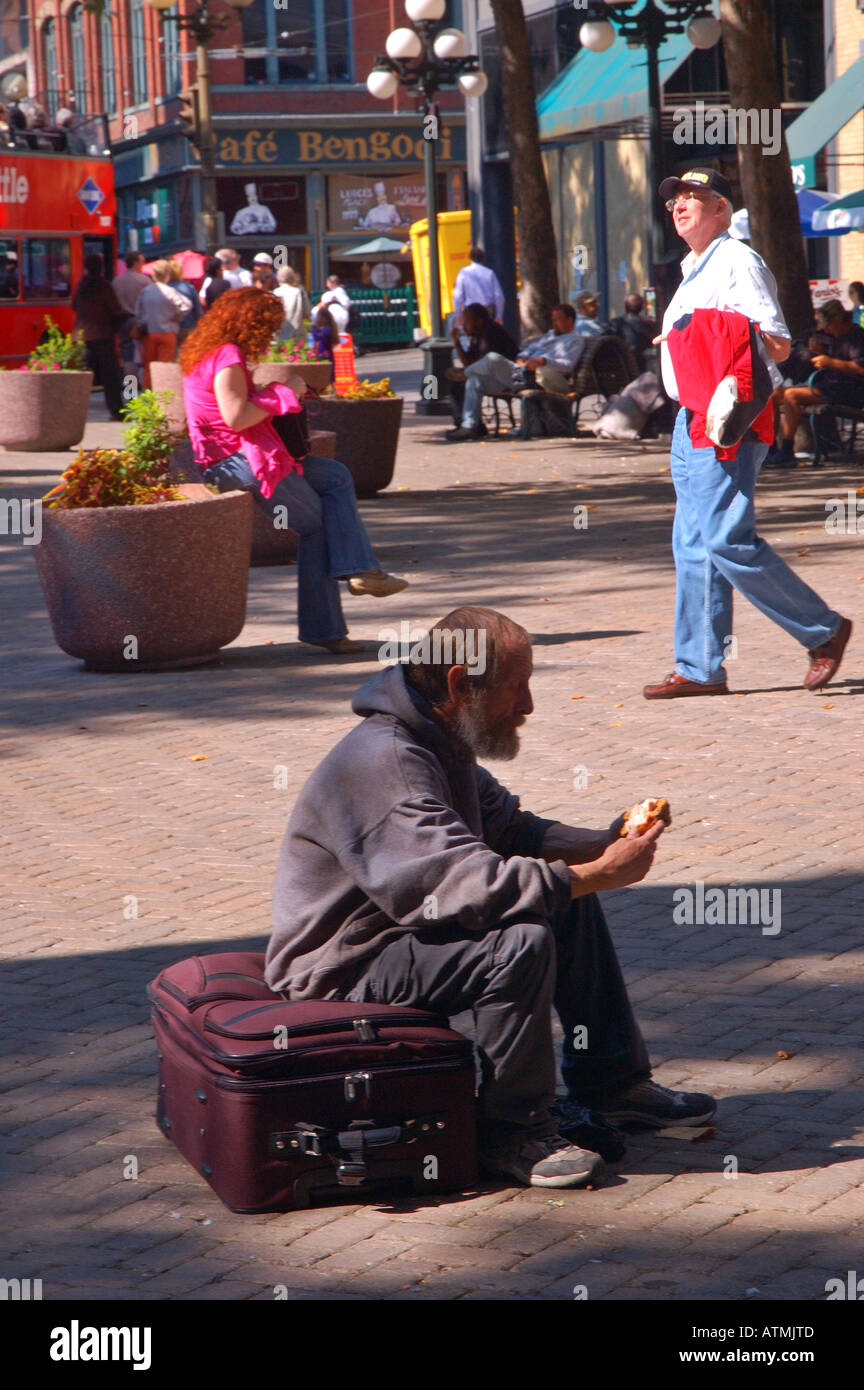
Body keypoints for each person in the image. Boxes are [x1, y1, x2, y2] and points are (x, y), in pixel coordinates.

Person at [266, 606, 717, 1190]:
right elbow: (453, 887)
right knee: (520, 939)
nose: (527, 706)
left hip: (400, 932)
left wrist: (600, 845)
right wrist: (593, 874)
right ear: (459, 684)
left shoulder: (440, 735)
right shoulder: (387, 762)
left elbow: (513, 830)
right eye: (515, 688)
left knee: (566, 893)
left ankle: (614, 1088)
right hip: (344, 963)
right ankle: (512, 1133)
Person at [643, 168, 851, 700]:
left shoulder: (738, 259)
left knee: (724, 538)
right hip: (692, 417)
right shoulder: (694, 266)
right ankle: (699, 667)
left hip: (728, 416)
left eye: (692, 198)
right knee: (691, 544)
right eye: (674, 201)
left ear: (721, 210)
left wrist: (714, 335)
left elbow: (778, 343)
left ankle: (823, 630)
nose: (679, 206)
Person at [180, 287, 409, 654]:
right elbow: (236, 417)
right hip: (239, 462)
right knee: (315, 526)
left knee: (335, 476)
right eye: (268, 326)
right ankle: (328, 625)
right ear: (250, 323)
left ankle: (361, 572)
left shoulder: (205, 351)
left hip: (236, 458)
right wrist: (283, 391)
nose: (270, 335)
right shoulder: (226, 354)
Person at [446, 303, 586, 442]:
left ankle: (465, 373)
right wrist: (522, 357)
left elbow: (568, 365)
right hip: (520, 372)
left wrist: (542, 361)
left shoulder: (575, 340)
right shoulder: (550, 335)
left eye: (558, 319)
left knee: (492, 358)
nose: (554, 323)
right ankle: (468, 426)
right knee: (475, 380)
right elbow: (530, 349)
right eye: (553, 319)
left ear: (570, 320)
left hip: (538, 378)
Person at [767, 299, 864, 467]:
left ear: (839, 319)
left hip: (850, 390)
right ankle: (770, 448)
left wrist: (830, 362)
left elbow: (859, 367)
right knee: (773, 395)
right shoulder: (834, 336)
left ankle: (787, 450)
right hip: (830, 385)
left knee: (792, 395)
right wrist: (820, 353)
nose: (826, 329)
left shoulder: (856, 336)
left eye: (829, 325)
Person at [71, 253, 127, 420]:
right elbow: (115, 309)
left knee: (82, 378)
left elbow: (74, 306)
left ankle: (73, 411)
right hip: (102, 335)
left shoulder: (81, 285)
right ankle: (116, 410)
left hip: (81, 336)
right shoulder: (104, 286)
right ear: (101, 267)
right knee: (110, 376)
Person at [446, 303, 518, 428]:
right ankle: (464, 424)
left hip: (505, 379)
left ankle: (471, 425)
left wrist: (465, 372)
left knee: (470, 378)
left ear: (478, 321)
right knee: (457, 383)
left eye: (466, 321)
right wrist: (456, 342)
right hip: (488, 377)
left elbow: (485, 364)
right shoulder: (476, 336)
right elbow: (469, 362)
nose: (463, 326)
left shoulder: (491, 332)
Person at [135, 258, 192, 388]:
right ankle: (163, 394)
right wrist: (176, 317)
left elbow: (138, 312)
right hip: (168, 331)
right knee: (165, 366)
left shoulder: (146, 291)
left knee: (148, 365)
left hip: (149, 333)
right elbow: (186, 305)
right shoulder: (169, 291)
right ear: (168, 275)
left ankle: (148, 394)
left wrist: (145, 320)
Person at [112, 251, 150, 381]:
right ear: (135, 263)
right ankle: (145, 388)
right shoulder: (145, 281)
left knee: (127, 357)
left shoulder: (117, 281)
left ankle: (131, 393)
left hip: (122, 321)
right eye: (142, 262)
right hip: (141, 322)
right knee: (144, 354)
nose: (143, 264)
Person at [452, 246, 506, 324]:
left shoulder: (464, 273)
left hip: (470, 311)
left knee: (472, 334)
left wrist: (458, 314)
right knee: (486, 334)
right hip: (486, 310)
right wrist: (499, 316)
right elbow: (499, 296)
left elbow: (457, 295)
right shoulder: (490, 273)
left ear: (470, 258)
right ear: (482, 258)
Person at [609, 292, 658, 373]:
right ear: (642, 307)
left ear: (625, 306)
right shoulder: (648, 324)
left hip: (620, 366)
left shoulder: (615, 323)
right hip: (642, 366)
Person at [168, 258, 203, 344]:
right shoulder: (189, 287)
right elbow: (198, 311)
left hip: (169, 328)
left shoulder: (163, 288)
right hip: (188, 327)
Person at [274, 266, 311, 342]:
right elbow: (307, 314)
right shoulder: (299, 292)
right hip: (297, 337)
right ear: (292, 278)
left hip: (279, 338)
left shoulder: (273, 294)